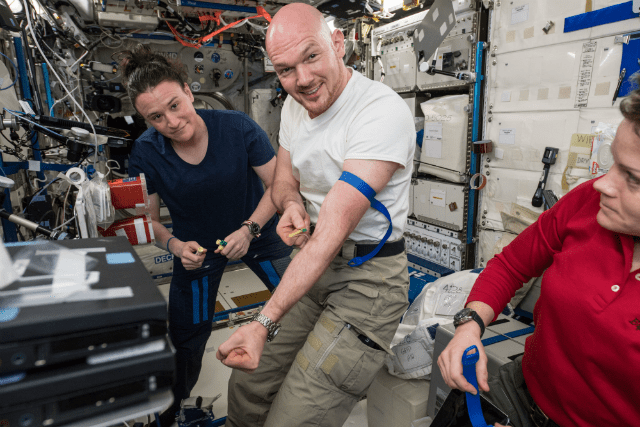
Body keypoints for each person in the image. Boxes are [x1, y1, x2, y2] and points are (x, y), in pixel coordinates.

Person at [215, 4, 416, 426]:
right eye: (286, 70)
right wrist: (291, 205)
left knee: (296, 416)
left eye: (311, 56)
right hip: (314, 268)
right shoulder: (293, 108)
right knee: (247, 388)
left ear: (337, 44)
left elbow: (331, 232)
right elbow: (284, 180)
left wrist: (262, 322)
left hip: (368, 282)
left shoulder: (379, 111)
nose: (302, 80)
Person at [437, 80, 640, 427]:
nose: (603, 184)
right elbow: (511, 264)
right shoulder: (587, 203)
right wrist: (469, 326)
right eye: (613, 164)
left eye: (633, 179)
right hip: (517, 393)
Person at [120, 45, 293, 427]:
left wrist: (250, 229)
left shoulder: (237, 128)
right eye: (156, 117)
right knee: (188, 335)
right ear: (145, 119)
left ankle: (301, 386)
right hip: (197, 251)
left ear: (187, 89)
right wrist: (176, 246)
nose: (171, 121)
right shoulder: (146, 152)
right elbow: (149, 223)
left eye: (175, 105)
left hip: (258, 233)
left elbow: (278, 186)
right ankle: (169, 412)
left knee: (299, 305)